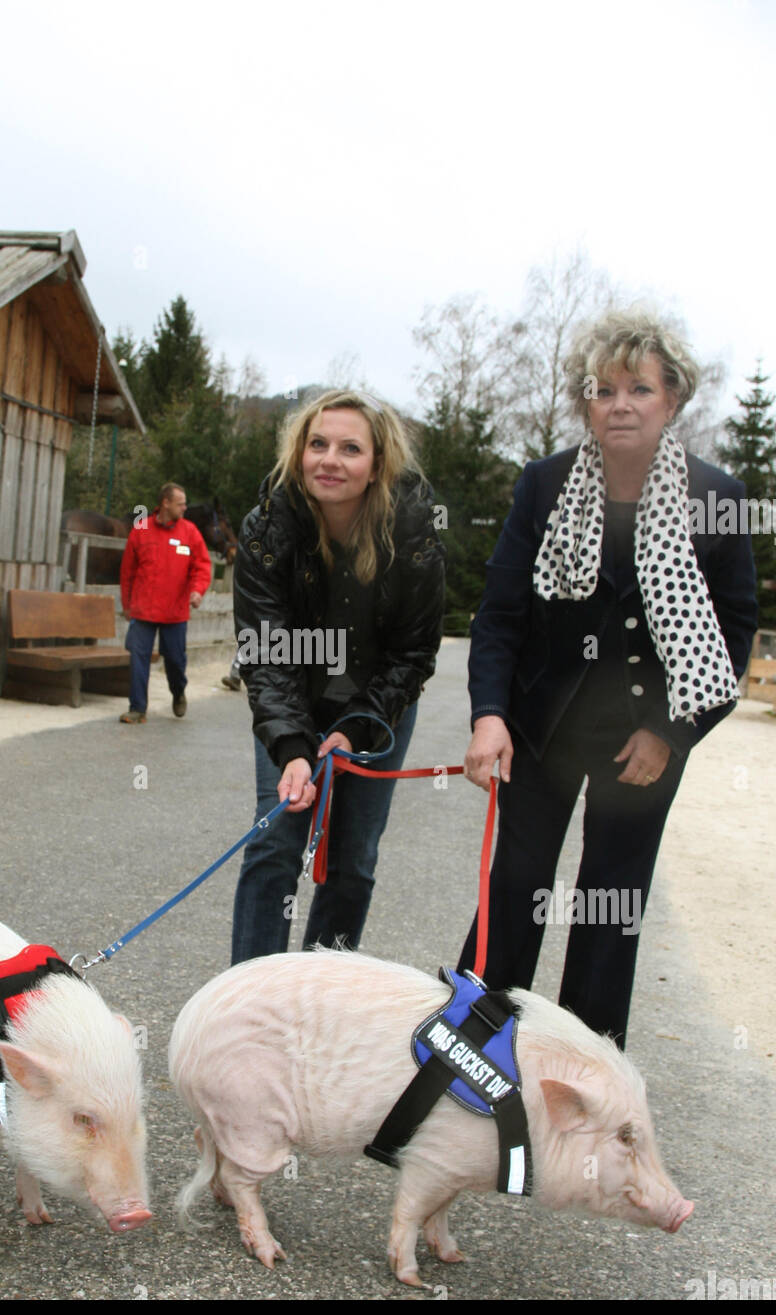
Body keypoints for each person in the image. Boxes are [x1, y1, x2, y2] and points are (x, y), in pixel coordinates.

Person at [459, 309, 758, 1048]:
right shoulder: (544, 485)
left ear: (673, 401)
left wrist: (671, 732)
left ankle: (584, 1067)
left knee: (610, 902)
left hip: (645, 742)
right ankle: (469, 1049)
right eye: (603, 389)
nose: (620, 403)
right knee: (516, 887)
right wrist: (490, 714)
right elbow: (501, 613)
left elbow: (734, 629)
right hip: (540, 730)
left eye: (639, 389)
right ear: (584, 402)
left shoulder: (717, 496)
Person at [231, 388, 446, 964]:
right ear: (299, 451)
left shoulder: (413, 534)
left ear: (377, 464)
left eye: (350, 448)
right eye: (318, 444)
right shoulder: (266, 529)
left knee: (353, 859)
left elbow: (414, 652)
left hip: (378, 704)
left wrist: (358, 730)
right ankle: (250, 997)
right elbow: (267, 652)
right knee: (276, 842)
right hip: (293, 697)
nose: (330, 459)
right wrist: (295, 749)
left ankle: (322, 993)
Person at [119, 482, 211, 724]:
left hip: (175, 613)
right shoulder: (141, 530)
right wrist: (126, 604)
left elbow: (202, 565)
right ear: (166, 503)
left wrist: (197, 591)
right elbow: (127, 571)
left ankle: (178, 691)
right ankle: (137, 708)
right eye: (180, 503)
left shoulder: (190, 532)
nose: (185, 507)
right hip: (143, 610)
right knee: (138, 657)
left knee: (175, 661)